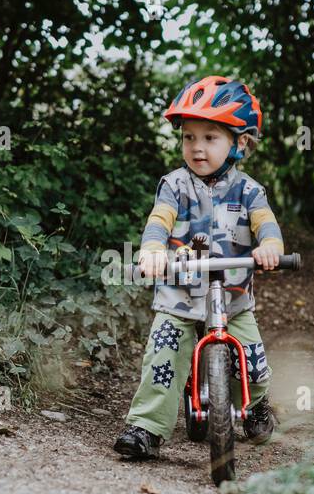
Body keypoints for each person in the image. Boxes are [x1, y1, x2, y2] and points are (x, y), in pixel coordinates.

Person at [113, 75, 284, 460]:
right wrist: (153, 248)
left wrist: (271, 245)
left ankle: (255, 405)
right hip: (180, 294)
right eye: (189, 137)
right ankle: (146, 428)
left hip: (232, 297)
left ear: (239, 142)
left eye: (210, 138)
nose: (197, 147)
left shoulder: (249, 190)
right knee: (163, 354)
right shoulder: (174, 185)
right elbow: (160, 219)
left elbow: (264, 221)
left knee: (253, 364)